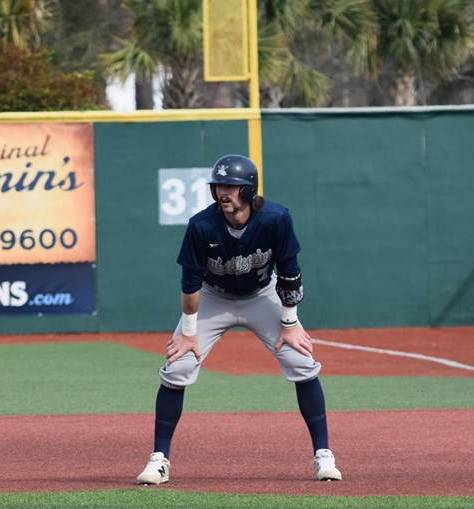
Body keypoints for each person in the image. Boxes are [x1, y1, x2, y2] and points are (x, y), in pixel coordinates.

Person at [137, 154, 341, 484]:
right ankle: (159, 459)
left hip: (262, 295)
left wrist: (289, 324)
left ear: (248, 190)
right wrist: (189, 333)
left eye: (230, 186)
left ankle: (323, 454)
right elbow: (190, 286)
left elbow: (290, 274)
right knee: (178, 367)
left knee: (300, 360)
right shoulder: (202, 225)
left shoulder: (275, 218)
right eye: (218, 185)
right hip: (213, 296)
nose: (222, 192)